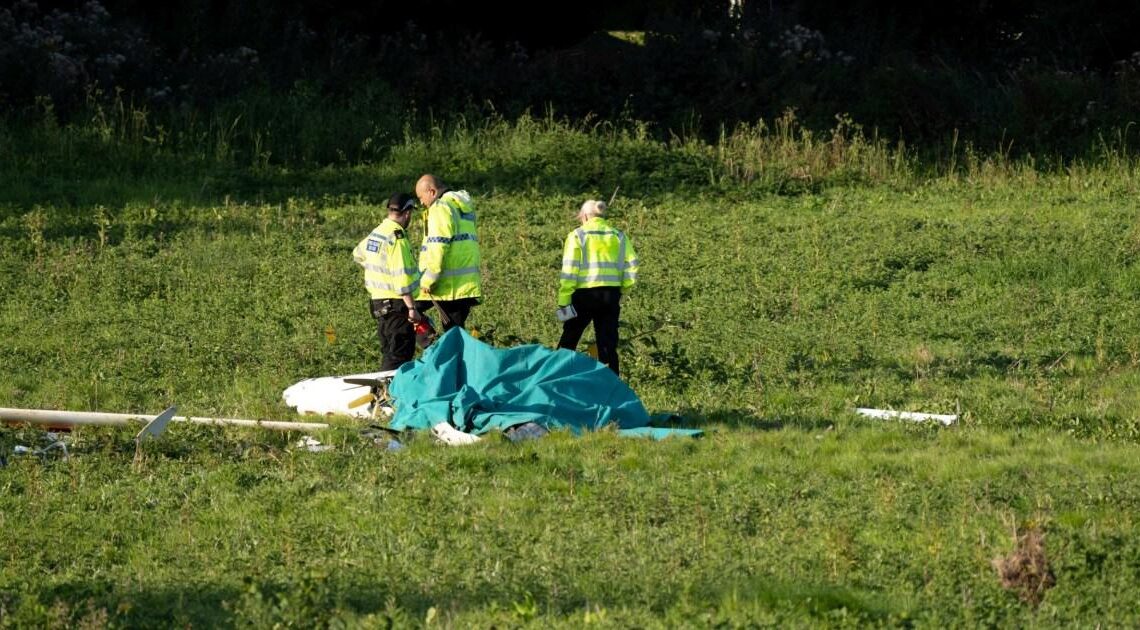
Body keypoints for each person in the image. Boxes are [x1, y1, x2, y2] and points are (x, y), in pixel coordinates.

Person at [556, 199, 639, 376]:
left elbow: (569, 271)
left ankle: (557, 380)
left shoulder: (578, 235)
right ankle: (611, 389)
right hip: (610, 295)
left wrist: (564, 301)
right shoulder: (618, 236)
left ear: (585, 215)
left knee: (569, 340)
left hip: (583, 296)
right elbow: (632, 264)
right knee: (607, 344)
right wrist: (623, 289)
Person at [353, 192, 425, 372]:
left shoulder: (378, 232)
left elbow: (358, 254)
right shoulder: (397, 237)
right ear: (407, 213)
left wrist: (379, 274)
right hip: (397, 305)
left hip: (378, 303)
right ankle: (386, 396)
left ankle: (382, 395)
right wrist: (412, 308)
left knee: (389, 352)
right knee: (399, 357)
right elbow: (401, 277)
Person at [413, 174, 483, 330]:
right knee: (455, 332)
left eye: (421, 197)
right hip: (464, 284)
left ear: (431, 192)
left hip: (446, 285)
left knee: (409, 312)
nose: (421, 202)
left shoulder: (440, 208)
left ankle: (432, 346)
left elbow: (438, 247)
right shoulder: (460, 206)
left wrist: (427, 281)